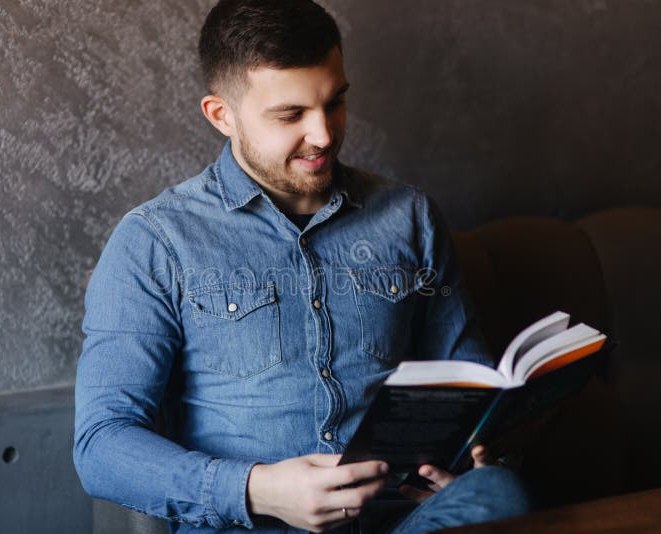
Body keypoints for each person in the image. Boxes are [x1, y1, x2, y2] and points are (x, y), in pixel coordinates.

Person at [73, 1, 532, 532]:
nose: (323, 135)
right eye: (290, 115)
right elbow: (101, 446)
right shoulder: (155, 241)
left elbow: (466, 385)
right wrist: (257, 490)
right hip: (250, 525)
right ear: (222, 115)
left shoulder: (411, 217)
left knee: (499, 490)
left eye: (334, 103)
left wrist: (473, 459)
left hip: (404, 520)